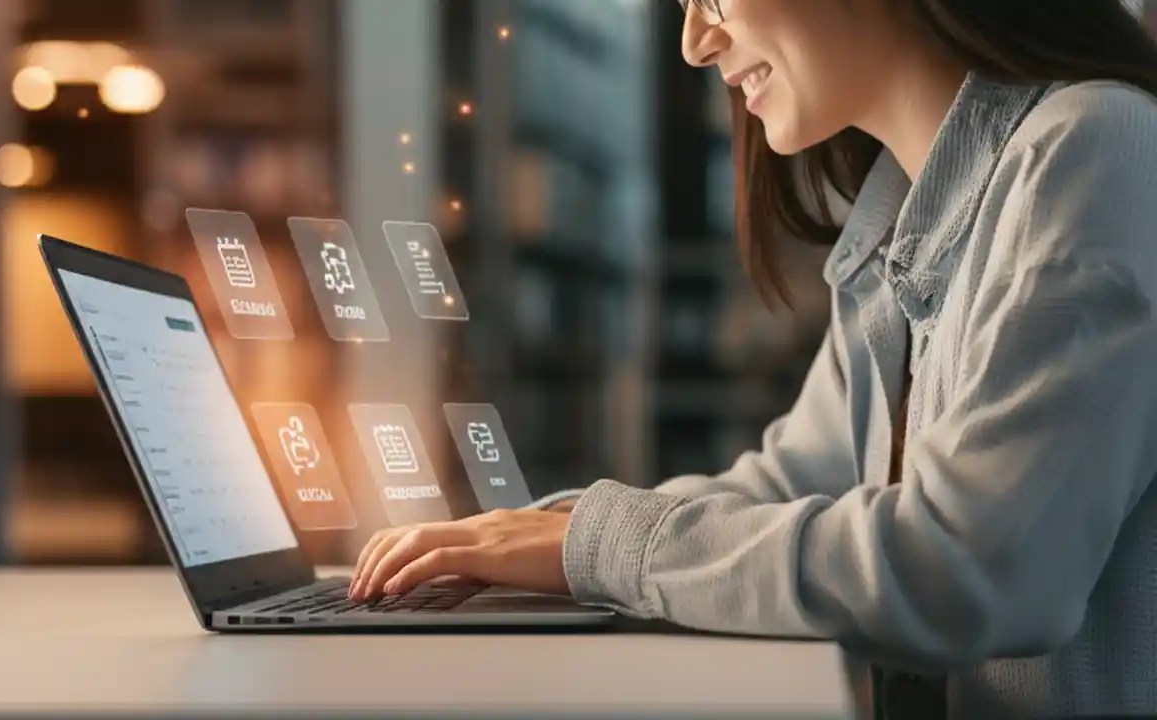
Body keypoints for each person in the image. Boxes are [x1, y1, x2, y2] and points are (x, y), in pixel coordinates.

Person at [351, 0, 1157, 716]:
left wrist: (600, 547)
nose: (695, 43)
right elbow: (787, 484)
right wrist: (543, 536)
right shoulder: (899, 232)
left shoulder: (1095, 147)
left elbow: (977, 570)